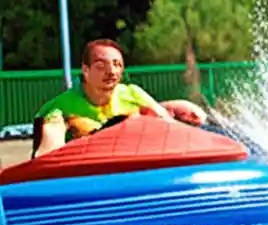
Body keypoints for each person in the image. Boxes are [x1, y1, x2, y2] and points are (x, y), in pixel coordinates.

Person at [31, 39, 208, 158]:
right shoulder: (60, 109)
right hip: (83, 161)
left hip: (122, 152)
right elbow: (46, 156)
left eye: (117, 65)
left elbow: (168, 124)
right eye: (102, 66)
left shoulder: (131, 93)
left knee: (192, 113)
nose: (112, 72)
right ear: (86, 70)